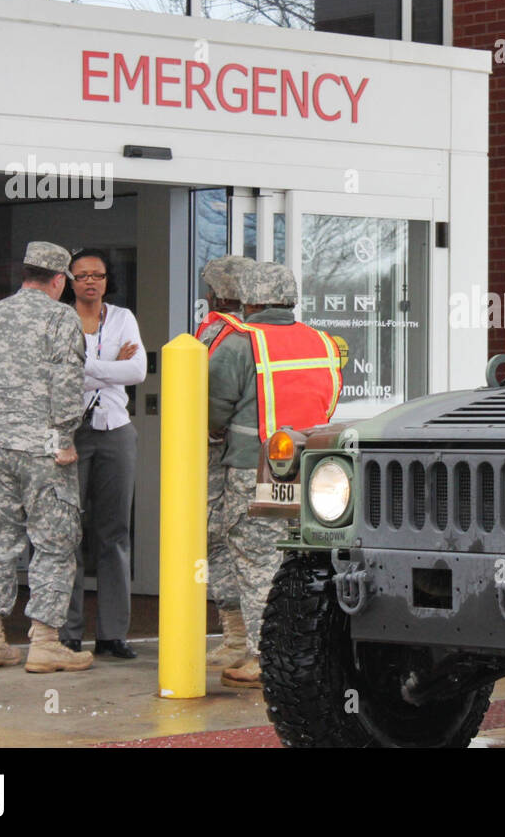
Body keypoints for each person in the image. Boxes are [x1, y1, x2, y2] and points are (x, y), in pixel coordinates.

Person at [0, 241, 94, 673]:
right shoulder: (60, 317)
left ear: (24, 276)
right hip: (42, 449)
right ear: (58, 280)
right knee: (54, 543)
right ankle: (46, 643)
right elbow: (68, 381)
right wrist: (65, 437)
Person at [208, 261, 342, 689]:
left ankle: (265, 653)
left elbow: (212, 409)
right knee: (299, 559)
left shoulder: (240, 343)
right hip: (316, 469)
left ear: (249, 300)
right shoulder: (322, 341)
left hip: (256, 467)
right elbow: (329, 398)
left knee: (255, 560)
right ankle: (307, 649)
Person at [59, 249, 148, 658]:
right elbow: (59, 375)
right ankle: (68, 632)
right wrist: (109, 363)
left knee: (114, 533)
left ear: (107, 280)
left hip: (115, 430)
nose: (90, 282)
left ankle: (113, 634)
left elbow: (137, 372)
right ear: (69, 281)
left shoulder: (123, 318)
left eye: (97, 275)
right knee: (67, 532)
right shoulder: (57, 320)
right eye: (82, 276)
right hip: (69, 434)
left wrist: (88, 367)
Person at [195, 254, 255, 669]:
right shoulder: (274, 335)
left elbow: (212, 402)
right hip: (275, 455)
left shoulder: (220, 335)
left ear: (213, 294)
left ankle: (240, 639)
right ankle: (242, 639)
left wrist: (209, 429)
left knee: (222, 541)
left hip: (223, 455)